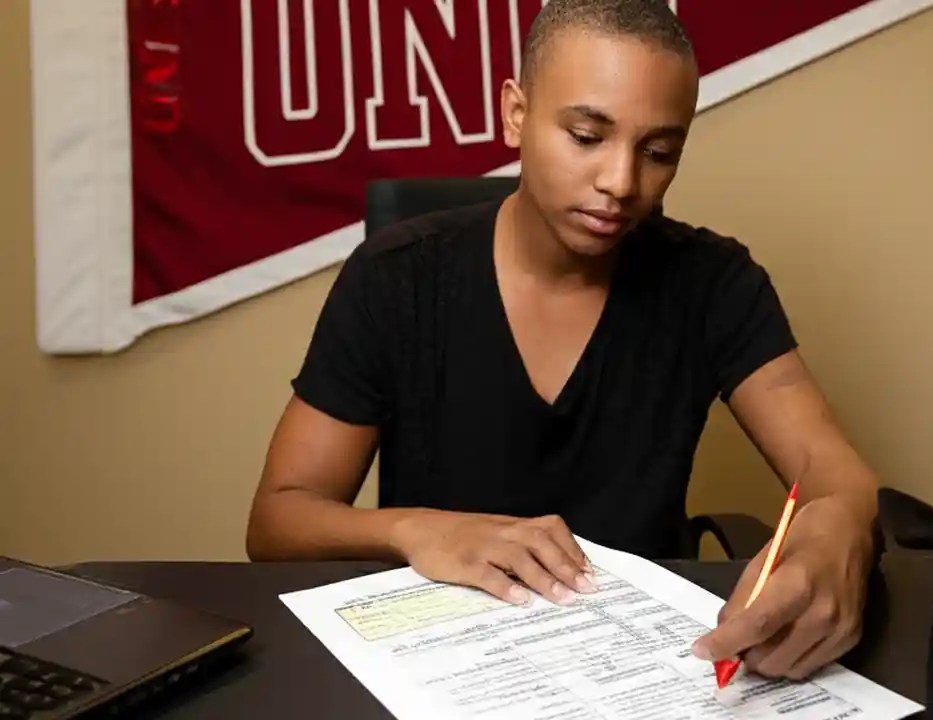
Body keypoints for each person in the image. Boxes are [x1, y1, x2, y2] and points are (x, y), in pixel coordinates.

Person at [246, 0, 880, 682]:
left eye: (659, 152)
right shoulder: (398, 278)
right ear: (515, 114)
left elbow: (834, 476)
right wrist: (414, 529)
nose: (621, 183)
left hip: (641, 665)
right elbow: (278, 522)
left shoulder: (714, 283)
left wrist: (837, 530)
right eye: (586, 136)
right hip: (448, 660)